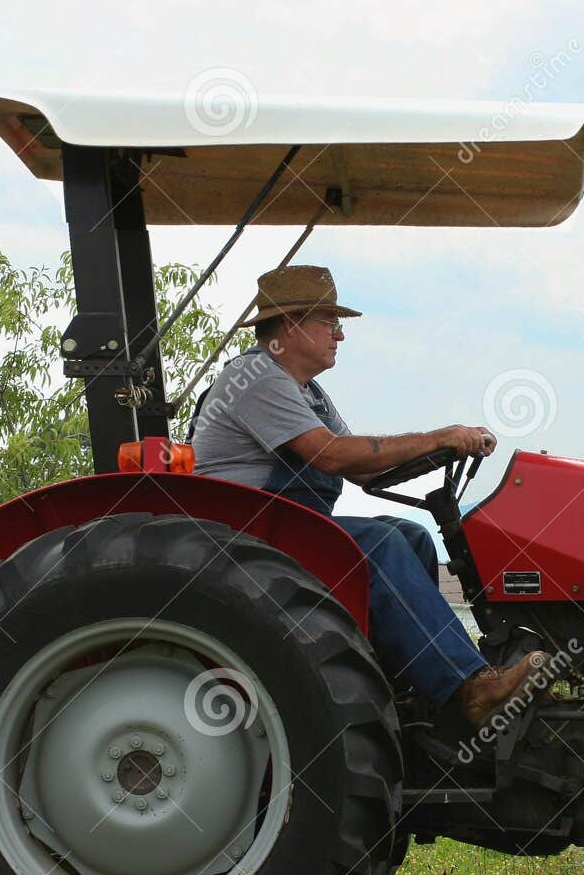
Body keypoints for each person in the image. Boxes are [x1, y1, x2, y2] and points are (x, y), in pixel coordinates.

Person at [191, 265, 545, 726]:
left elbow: (359, 464)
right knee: (378, 547)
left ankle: (413, 687)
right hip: (246, 536)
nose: (340, 335)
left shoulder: (306, 390)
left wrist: (441, 447)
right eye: (330, 322)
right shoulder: (257, 375)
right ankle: (469, 687)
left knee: (413, 537)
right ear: (291, 325)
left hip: (288, 526)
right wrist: (439, 436)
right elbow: (333, 456)